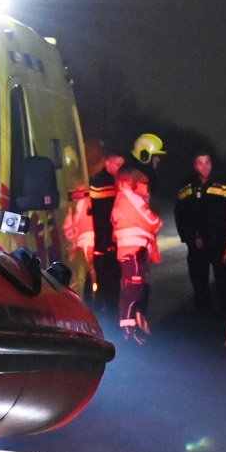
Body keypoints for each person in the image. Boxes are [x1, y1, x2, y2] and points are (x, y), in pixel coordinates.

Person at [174, 152, 226, 315]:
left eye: (207, 162)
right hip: (196, 244)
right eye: (200, 163)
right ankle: (202, 315)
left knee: (223, 280)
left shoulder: (223, 182)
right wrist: (188, 237)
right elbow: (180, 213)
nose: (204, 167)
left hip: (219, 242)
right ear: (195, 165)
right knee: (199, 282)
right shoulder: (187, 185)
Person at [110, 165, 161, 341]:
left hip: (130, 251)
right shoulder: (130, 198)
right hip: (135, 251)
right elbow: (152, 221)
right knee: (133, 292)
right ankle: (128, 334)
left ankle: (129, 331)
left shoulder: (121, 198)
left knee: (131, 291)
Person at [85, 146, 121, 318]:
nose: (119, 168)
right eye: (117, 164)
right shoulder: (103, 183)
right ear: (107, 161)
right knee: (108, 280)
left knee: (108, 279)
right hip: (104, 241)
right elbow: (102, 215)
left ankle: (107, 312)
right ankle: (109, 314)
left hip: (106, 241)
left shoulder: (111, 181)